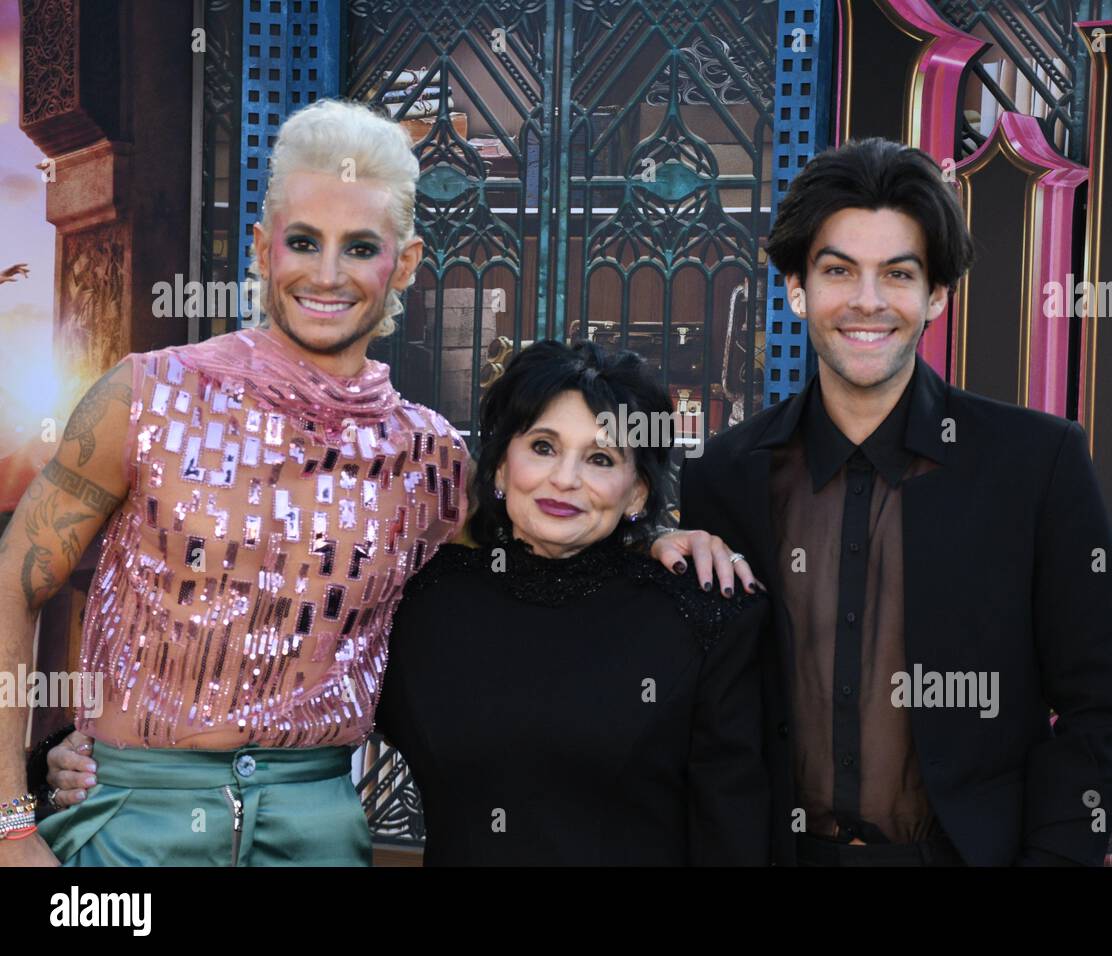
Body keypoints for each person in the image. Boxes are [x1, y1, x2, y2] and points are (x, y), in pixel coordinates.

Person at [2, 97, 726, 867]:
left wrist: (658, 538)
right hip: (130, 823)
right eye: (304, 242)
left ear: (404, 263)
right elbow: (12, 583)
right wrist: (12, 822)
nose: (326, 274)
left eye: (359, 247)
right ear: (261, 249)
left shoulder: (431, 461)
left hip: (315, 832)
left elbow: (552, 526)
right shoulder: (146, 396)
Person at [660, 137, 1112, 866]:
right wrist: (648, 541)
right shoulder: (725, 477)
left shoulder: (1037, 465)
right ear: (796, 288)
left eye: (899, 273)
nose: (868, 301)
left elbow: (1097, 709)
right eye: (838, 270)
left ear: (937, 295)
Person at [374, 339, 770, 865]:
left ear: (638, 493)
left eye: (601, 458)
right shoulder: (418, 604)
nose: (565, 478)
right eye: (543, 446)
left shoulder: (705, 617)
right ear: (499, 467)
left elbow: (733, 833)